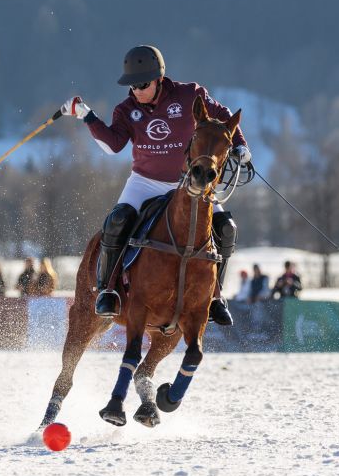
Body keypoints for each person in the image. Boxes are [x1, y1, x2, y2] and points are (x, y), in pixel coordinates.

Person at [60, 44, 251, 325]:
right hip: (145, 182)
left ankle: (214, 296)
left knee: (226, 228)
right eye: (132, 85)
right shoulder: (126, 110)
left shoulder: (190, 94)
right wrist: (86, 115)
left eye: (143, 84)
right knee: (117, 222)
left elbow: (223, 115)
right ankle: (108, 291)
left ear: (159, 79)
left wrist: (240, 145)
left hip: (188, 184)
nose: (137, 90)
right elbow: (113, 145)